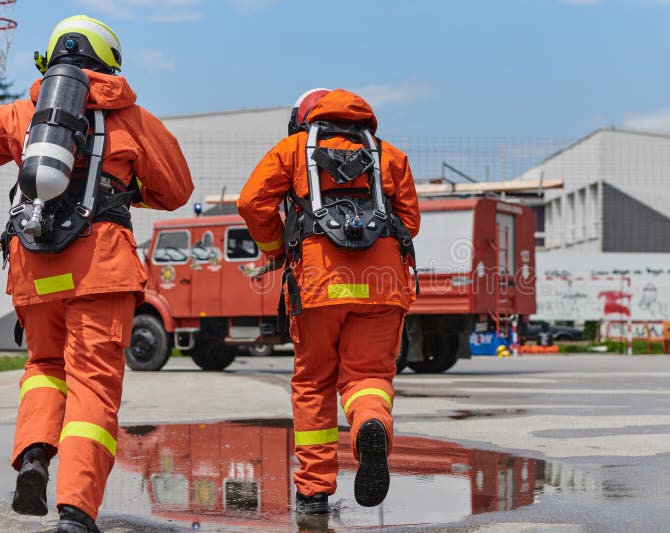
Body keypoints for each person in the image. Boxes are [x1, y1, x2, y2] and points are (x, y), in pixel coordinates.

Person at [0, 15, 193, 533]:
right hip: (101, 267)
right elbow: (176, 190)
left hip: (35, 267)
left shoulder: (24, 112)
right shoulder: (132, 118)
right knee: (92, 387)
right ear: (108, 61)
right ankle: (76, 511)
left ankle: (35, 456)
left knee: (43, 365)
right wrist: (127, 184)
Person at [238, 88, 420, 515]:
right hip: (382, 285)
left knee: (314, 384)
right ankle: (368, 426)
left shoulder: (292, 150)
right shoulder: (389, 155)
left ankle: (314, 491)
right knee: (370, 377)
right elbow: (409, 222)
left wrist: (276, 248)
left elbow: (251, 202)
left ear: (303, 117)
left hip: (318, 284)